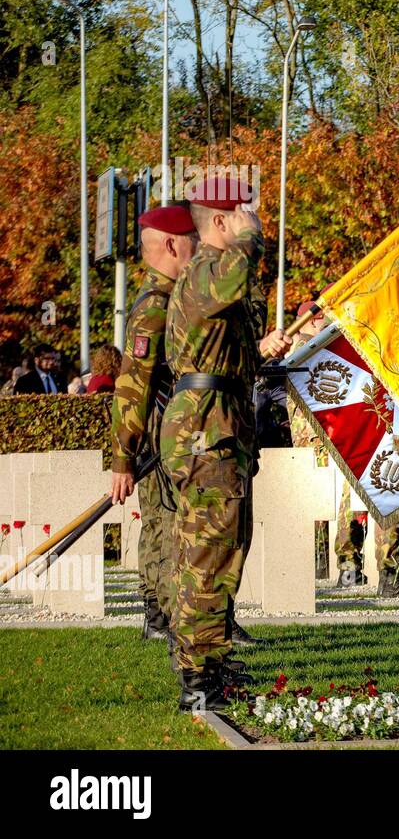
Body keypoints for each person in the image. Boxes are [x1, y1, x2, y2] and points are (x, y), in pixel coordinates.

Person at [161, 175, 291, 710]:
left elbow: (225, 357)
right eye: (243, 213)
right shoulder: (209, 271)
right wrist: (250, 236)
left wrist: (261, 350)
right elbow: (239, 270)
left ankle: (208, 665)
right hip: (206, 431)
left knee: (218, 552)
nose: (254, 222)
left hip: (218, 423)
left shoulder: (211, 279)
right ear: (220, 220)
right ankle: (198, 680)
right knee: (207, 556)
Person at [108, 203, 198, 646]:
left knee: (170, 523)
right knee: (167, 524)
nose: (200, 248)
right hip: (161, 436)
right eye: (193, 241)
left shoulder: (176, 297)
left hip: (172, 433)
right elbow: (132, 386)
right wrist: (123, 458)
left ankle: (164, 616)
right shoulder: (155, 306)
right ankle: (164, 617)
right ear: (171, 244)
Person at [286, 300, 367, 587]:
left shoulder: (300, 351)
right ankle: (347, 568)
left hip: (313, 441)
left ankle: (321, 566)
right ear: (311, 322)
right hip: (323, 440)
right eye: (325, 320)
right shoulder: (310, 350)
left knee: (318, 506)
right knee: (343, 504)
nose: (330, 325)